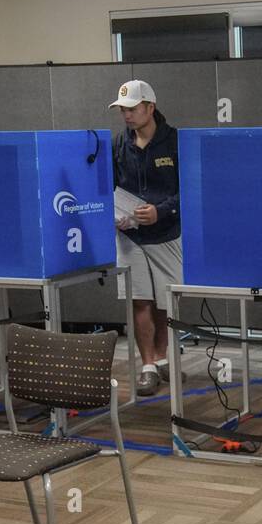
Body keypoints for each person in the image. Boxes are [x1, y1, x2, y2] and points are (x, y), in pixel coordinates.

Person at [109, 80, 183, 397]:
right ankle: (148, 365)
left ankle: (164, 357)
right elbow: (108, 187)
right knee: (140, 300)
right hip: (131, 237)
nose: (126, 115)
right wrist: (115, 215)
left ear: (150, 108)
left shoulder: (175, 142)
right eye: (123, 110)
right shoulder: (118, 144)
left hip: (167, 233)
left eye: (132, 109)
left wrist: (162, 212)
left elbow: (188, 190)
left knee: (164, 302)